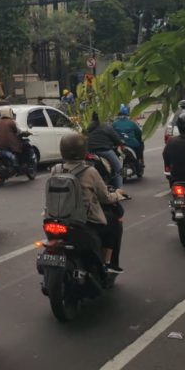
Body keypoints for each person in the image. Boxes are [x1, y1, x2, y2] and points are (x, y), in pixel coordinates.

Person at [54, 133, 126, 272]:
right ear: (83, 150)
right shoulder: (90, 171)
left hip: (56, 218)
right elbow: (105, 197)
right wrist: (117, 194)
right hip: (85, 221)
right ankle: (106, 264)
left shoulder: (55, 169)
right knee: (113, 222)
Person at [85, 112, 126, 191]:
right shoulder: (106, 127)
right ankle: (119, 191)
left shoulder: (88, 127)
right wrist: (121, 143)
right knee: (119, 169)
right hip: (105, 151)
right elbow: (116, 139)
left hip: (90, 152)